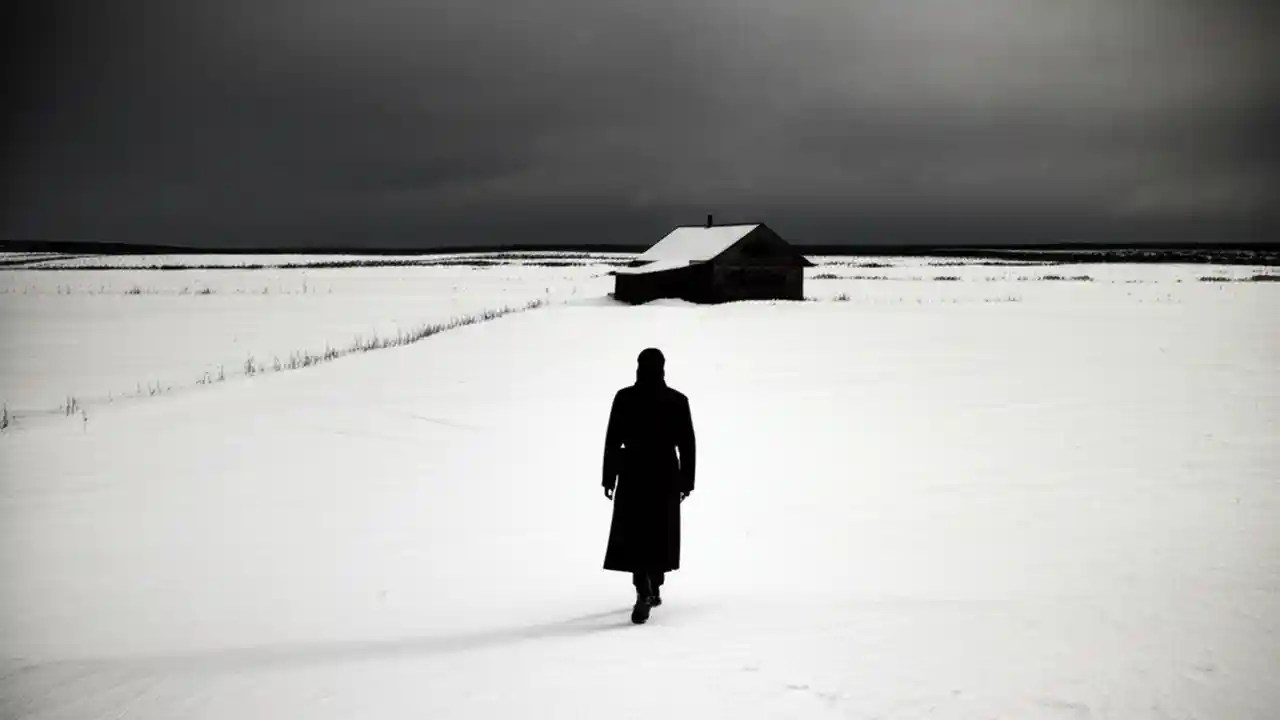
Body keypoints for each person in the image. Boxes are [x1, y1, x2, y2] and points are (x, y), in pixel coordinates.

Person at [601, 348, 696, 624]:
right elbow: (687, 445)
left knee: (635, 533)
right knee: (659, 530)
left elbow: (612, 441)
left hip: (633, 471)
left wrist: (609, 477)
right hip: (665, 472)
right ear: (663, 368)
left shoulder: (625, 398)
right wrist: (686, 482)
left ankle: (643, 588)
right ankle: (653, 587)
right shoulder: (677, 400)